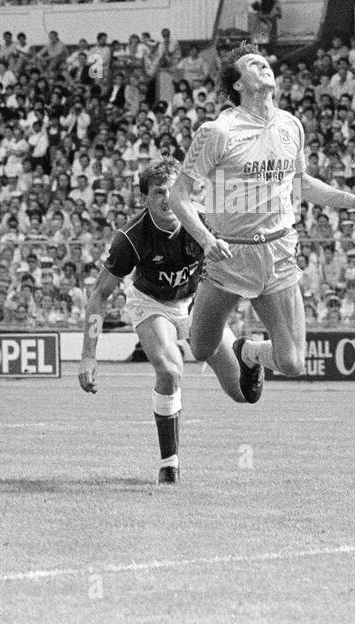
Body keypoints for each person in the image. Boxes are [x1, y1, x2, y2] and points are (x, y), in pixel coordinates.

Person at [168, 42, 355, 401]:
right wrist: (207, 240)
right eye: (252, 64)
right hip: (230, 254)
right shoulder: (218, 131)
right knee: (201, 348)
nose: (263, 65)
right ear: (238, 84)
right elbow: (179, 195)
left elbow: (301, 182)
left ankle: (249, 352)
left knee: (292, 362)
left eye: (264, 61)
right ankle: (220, 339)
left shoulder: (291, 124)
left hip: (280, 251)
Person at [78, 157, 250, 484]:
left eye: (172, 191)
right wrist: (88, 354)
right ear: (146, 198)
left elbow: (235, 267)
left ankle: (253, 353)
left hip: (194, 302)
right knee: (170, 370)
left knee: (242, 391)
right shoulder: (130, 237)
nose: (165, 199)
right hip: (150, 303)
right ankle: (169, 464)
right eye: (158, 192)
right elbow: (99, 295)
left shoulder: (204, 222)